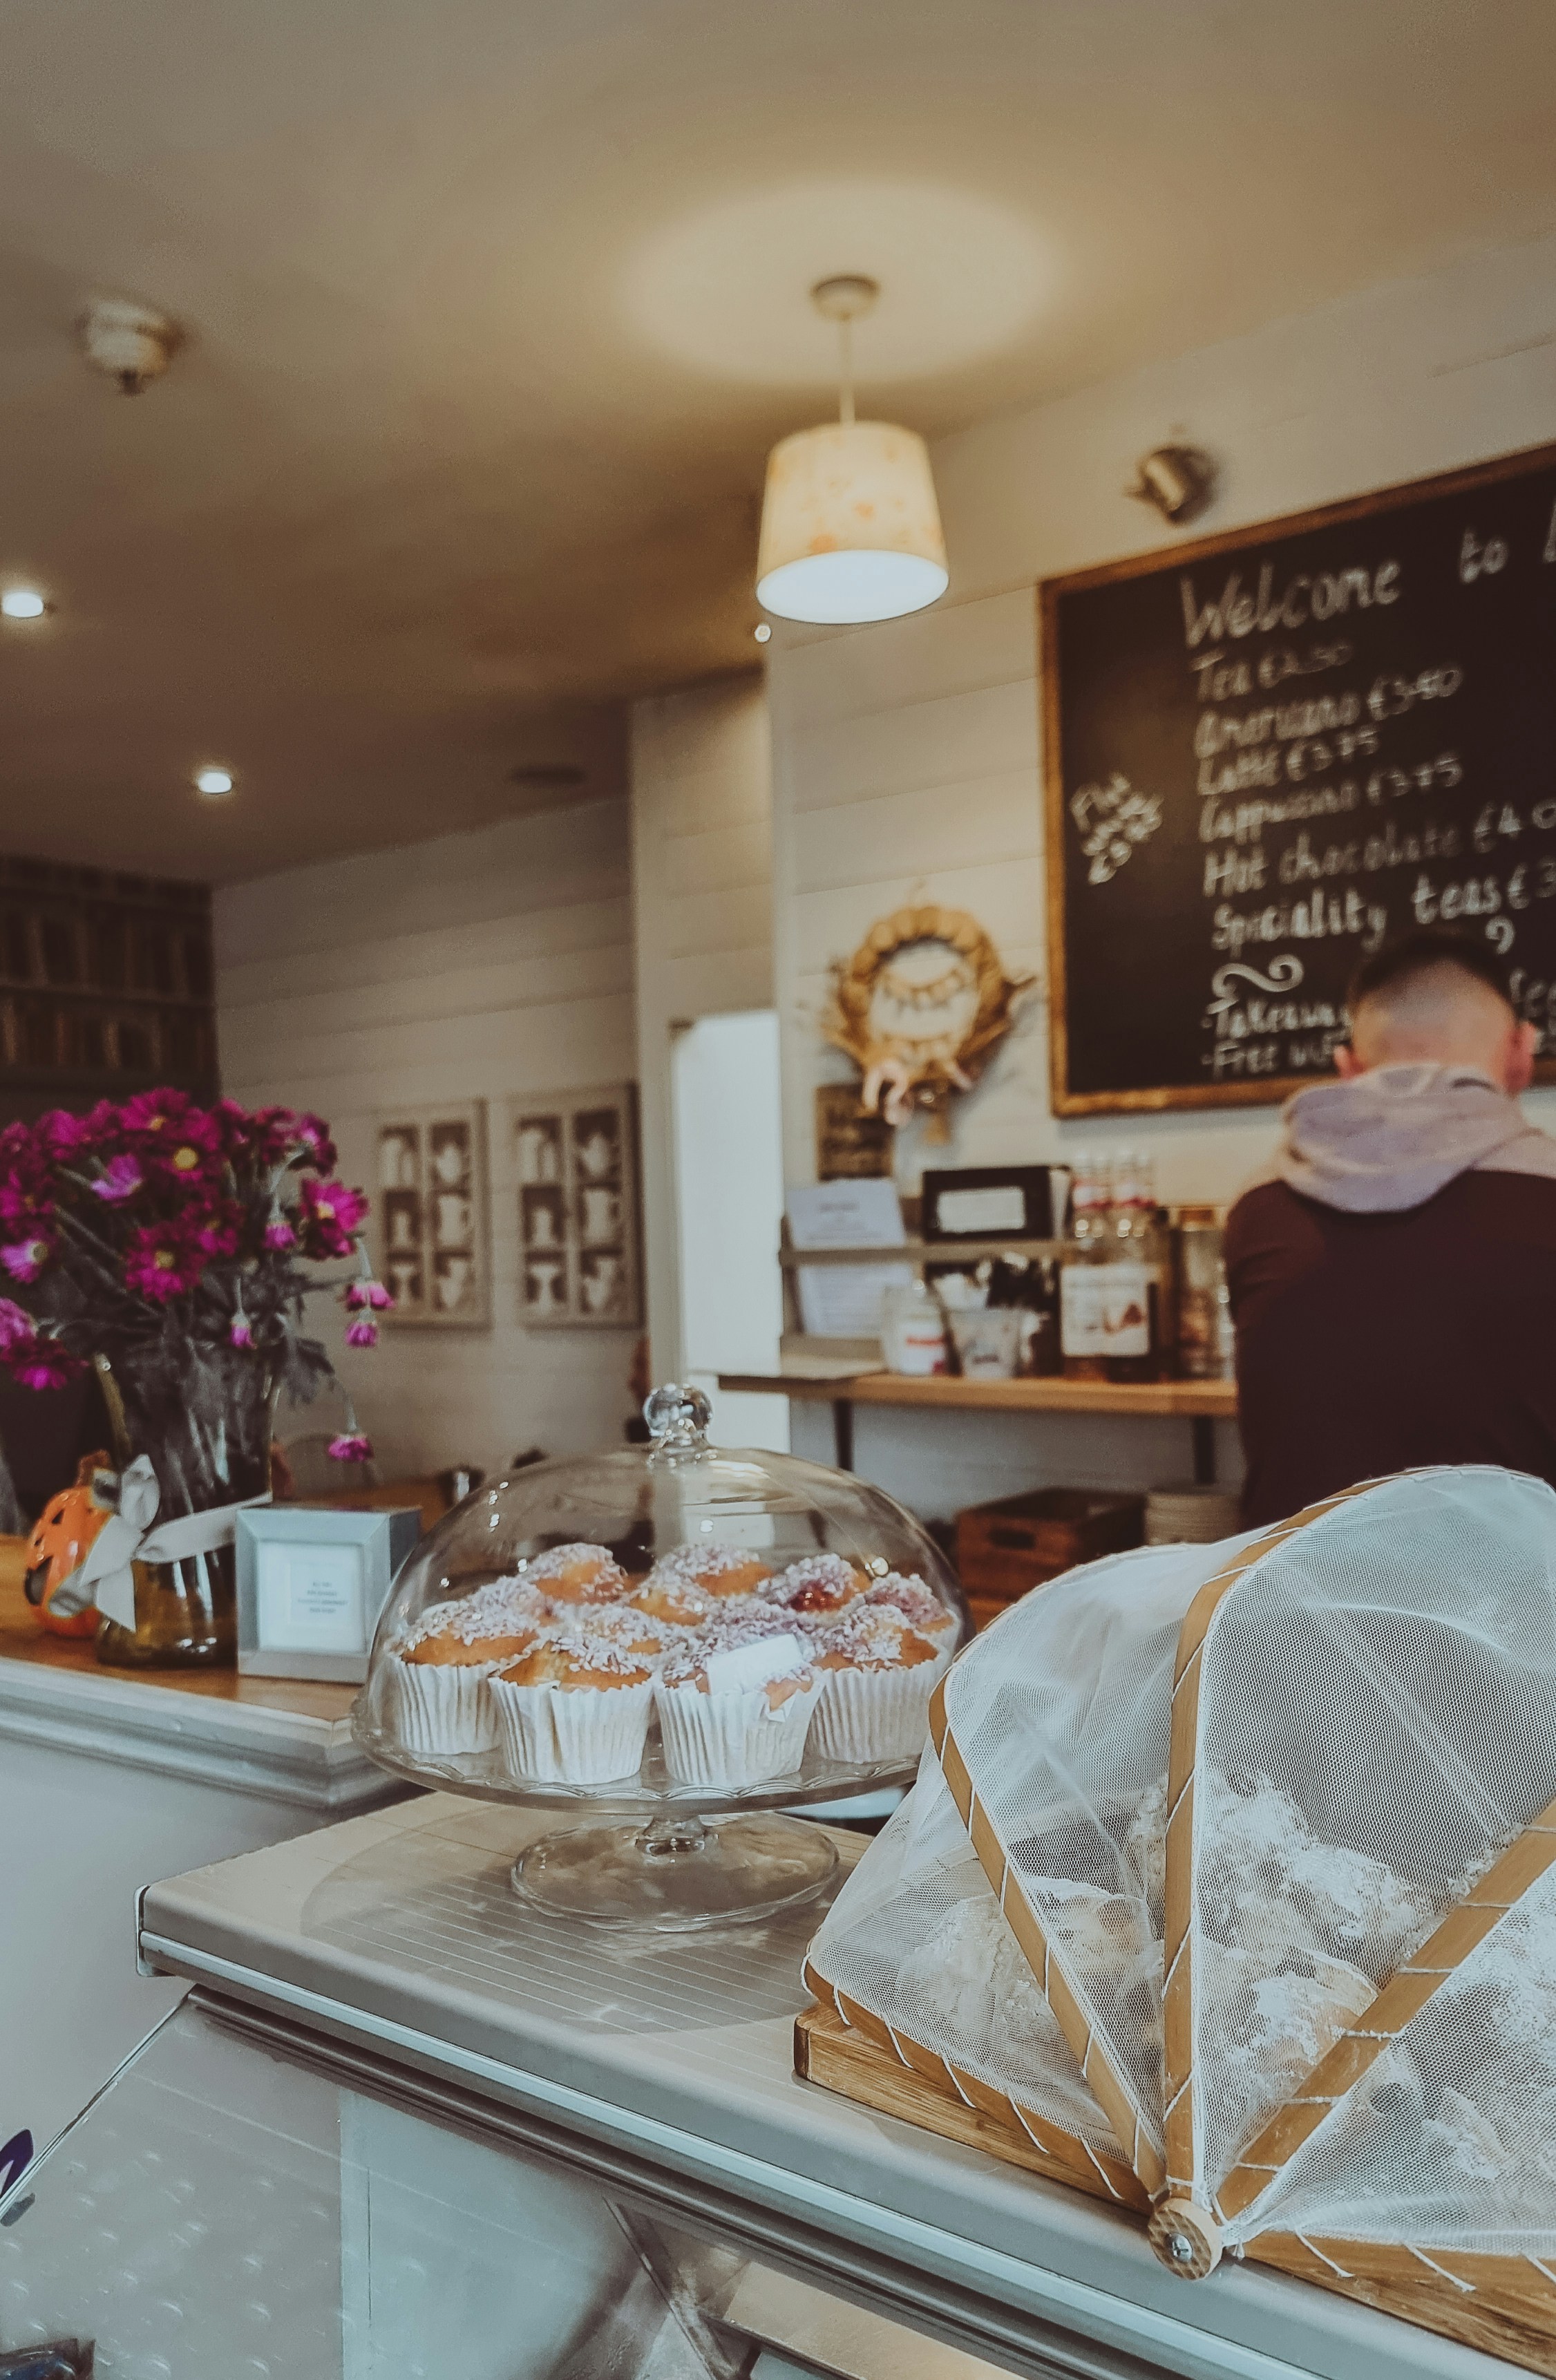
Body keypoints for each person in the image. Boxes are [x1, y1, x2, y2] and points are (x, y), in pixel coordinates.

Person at [1224, 929, 1556, 1525]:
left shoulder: (1256, 1206)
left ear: (1349, 1066)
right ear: (1520, 1053)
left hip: (1281, 1610)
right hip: (1511, 1614)